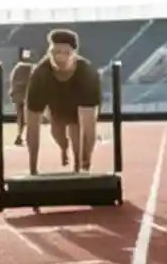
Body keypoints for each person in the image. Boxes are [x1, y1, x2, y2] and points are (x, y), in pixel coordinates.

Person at [24, 29, 101, 174]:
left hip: (79, 104)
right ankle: (64, 148)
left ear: (74, 55)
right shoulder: (40, 75)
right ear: (49, 53)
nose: (60, 58)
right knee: (57, 133)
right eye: (56, 52)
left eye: (66, 53)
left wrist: (85, 163)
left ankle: (79, 164)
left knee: (77, 138)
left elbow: (89, 127)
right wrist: (33, 169)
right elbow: (32, 126)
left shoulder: (87, 74)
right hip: (56, 106)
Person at [9, 48, 34, 146]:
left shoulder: (17, 68)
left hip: (19, 96)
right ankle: (24, 136)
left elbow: (13, 82)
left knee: (21, 118)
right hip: (26, 96)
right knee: (27, 118)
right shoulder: (30, 68)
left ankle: (20, 136)